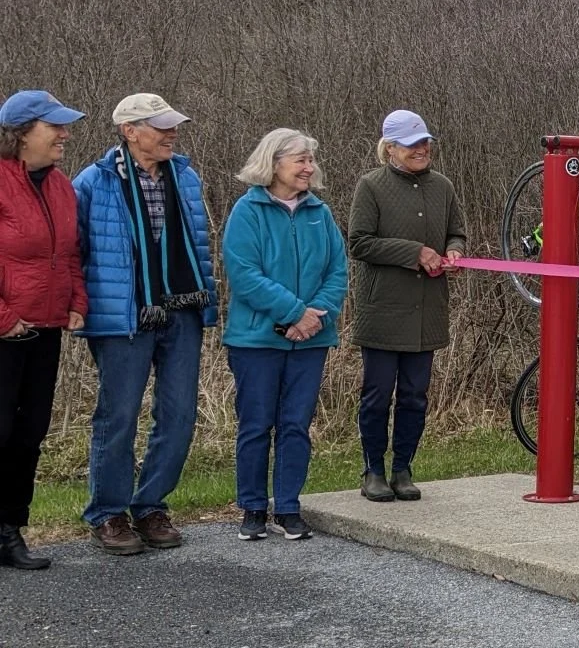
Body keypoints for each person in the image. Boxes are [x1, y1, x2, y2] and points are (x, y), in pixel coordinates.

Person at [74, 93, 218, 556]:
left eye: (173, 124)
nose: (172, 132)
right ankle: (108, 513)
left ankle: (151, 504)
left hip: (182, 310)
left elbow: (198, 247)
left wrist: (207, 301)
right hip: (124, 315)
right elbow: (76, 252)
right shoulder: (94, 183)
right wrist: (80, 305)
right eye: (160, 126)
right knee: (118, 416)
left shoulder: (186, 177)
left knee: (178, 414)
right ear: (130, 131)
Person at [221, 129, 347, 542]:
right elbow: (244, 275)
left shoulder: (320, 213)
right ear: (274, 163)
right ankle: (253, 506)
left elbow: (337, 272)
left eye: (311, 159)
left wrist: (312, 319)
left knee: (296, 425)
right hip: (256, 341)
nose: (309, 168)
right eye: (300, 160)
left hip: (311, 340)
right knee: (256, 424)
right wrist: (294, 312)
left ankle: (289, 506)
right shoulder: (248, 211)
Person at [348, 110, 465, 503]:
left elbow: (457, 232)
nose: (422, 149)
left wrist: (454, 251)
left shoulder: (443, 187)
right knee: (378, 394)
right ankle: (373, 471)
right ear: (391, 148)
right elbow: (360, 243)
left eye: (425, 142)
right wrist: (414, 252)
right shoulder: (371, 186)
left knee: (415, 395)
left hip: (427, 310)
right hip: (383, 310)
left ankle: (403, 469)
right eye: (413, 144)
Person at [0, 91, 88, 571]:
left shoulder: (60, 186)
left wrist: (77, 301)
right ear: (21, 134)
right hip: (4, 329)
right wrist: (4, 317)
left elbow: (69, 253)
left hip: (45, 327)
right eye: (54, 126)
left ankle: (10, 532)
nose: (64, 134)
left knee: (29, 432)